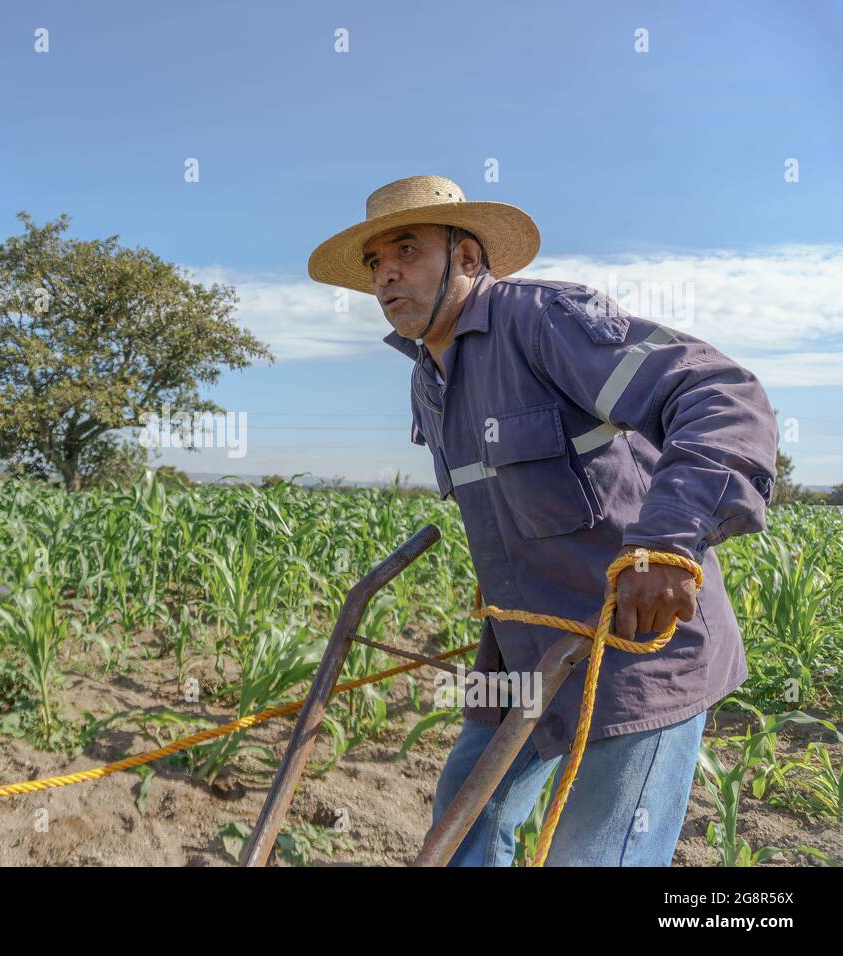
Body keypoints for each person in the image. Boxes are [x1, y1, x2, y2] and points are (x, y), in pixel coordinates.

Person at [307, 175, 779, 866]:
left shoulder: (543, 321)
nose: (386, 275)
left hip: (636, 653)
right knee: (461, 826)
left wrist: (666, 545)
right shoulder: (428, 379)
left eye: (405, 250)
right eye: (375, 262)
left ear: (468, 260)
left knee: (592, 855)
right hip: (524, 652)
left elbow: (717, 392)